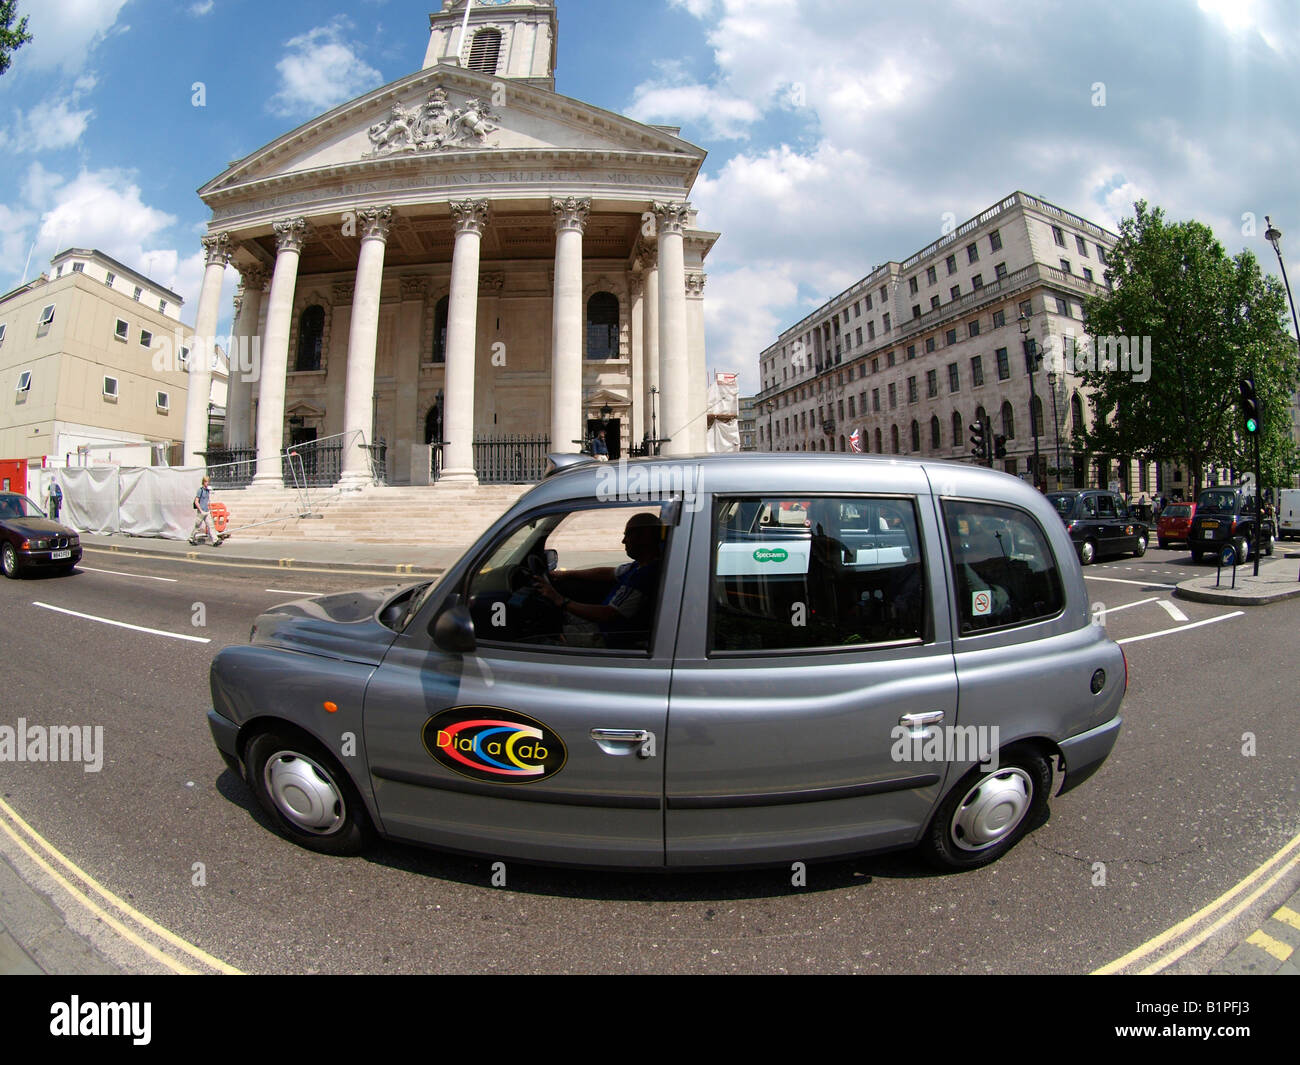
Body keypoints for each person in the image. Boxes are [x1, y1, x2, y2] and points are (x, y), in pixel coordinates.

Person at [532, 512, 663, 647]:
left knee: (540, 638)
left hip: (608, 637)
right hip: (603, 627)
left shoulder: (646, 576)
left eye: (628, 534)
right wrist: (566, 574)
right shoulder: (638, 566)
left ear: (645, 536)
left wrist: (560, 600)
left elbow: (608, 614)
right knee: (557, 619)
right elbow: (608, 573)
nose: (623, 541)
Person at [190, 476, 221, 546]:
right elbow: (196, 501)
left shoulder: (207, 490)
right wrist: (200, 510)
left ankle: (215, 541)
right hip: (201, 511)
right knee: (197, 526)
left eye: (208, 482)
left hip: (207, 511)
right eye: (206, 482)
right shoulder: (200, 490)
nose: (207, 483)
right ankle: (192, 538)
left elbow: (207, 500)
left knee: (211, 526)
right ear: (203, 482)